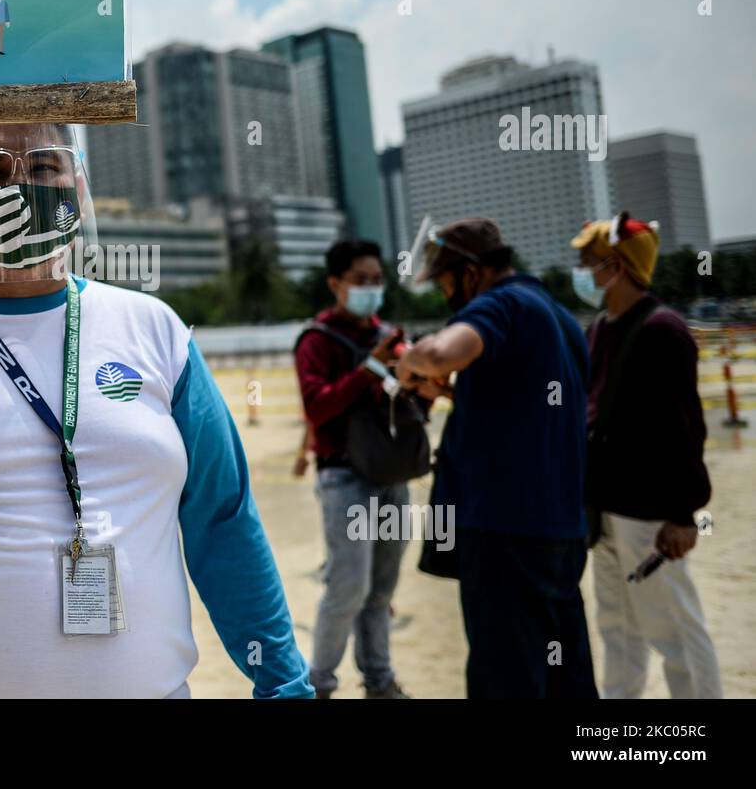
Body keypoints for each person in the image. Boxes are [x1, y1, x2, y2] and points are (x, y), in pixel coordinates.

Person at [0, 122, 311, 699]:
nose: (21, 185)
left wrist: (285, 685)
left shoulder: (157, 333)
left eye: (45, 167)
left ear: (77, 183)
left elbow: (224, 524)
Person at [396, 218, 597, 698]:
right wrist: (459, 395)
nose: (447, 296)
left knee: (505, 678)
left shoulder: (500, 303)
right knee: (565, 676)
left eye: (446, 283)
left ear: (471, 273)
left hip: (506, 531)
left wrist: (409, 362)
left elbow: (441, 352)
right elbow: (531, 407)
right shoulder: (560, 318)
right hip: (562, 530)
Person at [571, 212, 722, 698]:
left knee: (675, 631)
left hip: (652, 513)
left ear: (616, 266)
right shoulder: (600, 328)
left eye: (587, 262)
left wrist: (683, 515)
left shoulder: (663, 330)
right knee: (617, 629)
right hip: (607, 509)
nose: (580, 271)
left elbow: (685, 429)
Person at [293, 239, 412, 699]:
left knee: (382, 590)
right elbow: (317, 408)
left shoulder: (388, 334)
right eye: (361, 281)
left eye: (377, 280)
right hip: (344, 478)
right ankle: (319, 684)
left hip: (392, 473)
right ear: (335, 284)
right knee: (348, 588)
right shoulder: (316, 341)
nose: (371, 289)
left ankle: (379, 681)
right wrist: (369, 370)